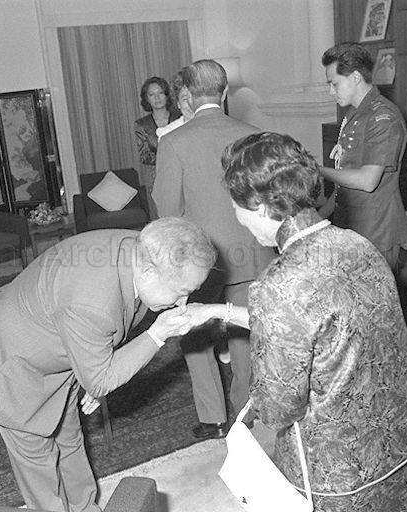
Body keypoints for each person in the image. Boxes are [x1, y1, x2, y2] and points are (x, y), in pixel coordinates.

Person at [182, 132, 407, 512]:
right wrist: (220, 312)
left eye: (237, 206)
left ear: (262, 207)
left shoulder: (278, 284)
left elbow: (278, 408)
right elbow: (326, 328)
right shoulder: (358, 245)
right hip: (404, 441)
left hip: (339, 473)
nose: (236, 216)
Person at [0, 217, 217, 512]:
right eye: (180, 291)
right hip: (11, 367)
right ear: (148, 271)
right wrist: (156, 335)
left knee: (69, 439)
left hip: (61, 356)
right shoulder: (92, 301)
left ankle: (84, 507)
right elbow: (101, 360)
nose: (183, 303)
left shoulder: (146, 248)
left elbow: (105, 340)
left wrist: (97, 370)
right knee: (40, 467)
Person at [153, 59, 275, 439]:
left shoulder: (173, 142)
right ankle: (244, 415)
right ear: (224, 92)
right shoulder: (256, 134)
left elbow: (166, 208)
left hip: (198, 260)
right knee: (244, 333)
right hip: (253, 253)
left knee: (195, 336)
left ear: (187, 95)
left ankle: (213, 418)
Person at [320, 42, 407, 271]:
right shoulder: (353, 115)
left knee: (373, 304)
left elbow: (367, 181)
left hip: (375, 233)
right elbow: (344, 184)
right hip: (350, 227)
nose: (331, 91)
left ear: (356, 77)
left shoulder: (383, 117)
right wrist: (320, 218)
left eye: (334, 83)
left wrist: (316, 169)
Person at [134, 76, 180, 214]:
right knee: (162, 213)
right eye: (152, 94)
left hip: (182, 170)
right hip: (156, 175)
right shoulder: (141, 124)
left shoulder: (180, 118)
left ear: (167, 95)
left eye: (160, 93)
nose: (157, 98)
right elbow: (145, 156)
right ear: (146, 99)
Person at [156, 70, 195, 139]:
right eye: (185, 99)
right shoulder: (167, 134)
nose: (191, 104)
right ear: (178, 103)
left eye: (195, 97)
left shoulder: (216, 126)